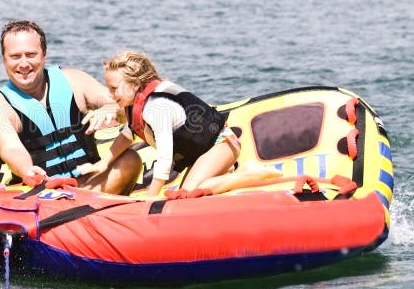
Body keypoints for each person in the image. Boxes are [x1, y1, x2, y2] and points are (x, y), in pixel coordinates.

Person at [77, 50, 277, 197]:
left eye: (114, 88)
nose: (110, 94)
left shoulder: (156, 108)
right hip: (201, 154)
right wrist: (103, 164)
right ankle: (226, 172)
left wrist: (151, 199)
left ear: (135, 85)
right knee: (188, 192)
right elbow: (127, 135)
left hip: (221, 144)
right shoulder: (133, 103)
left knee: (188, 194)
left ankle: (249, 173)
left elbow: (165, 159)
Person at [0, 20, 141, 194]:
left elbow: (124, 105)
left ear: (44, 55)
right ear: (4, 59)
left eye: (31, 55)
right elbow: (11, 149)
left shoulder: (75, 81)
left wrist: (111, 109)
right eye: (15, 56)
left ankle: (82, 201)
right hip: (41, 193)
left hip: (90, 184)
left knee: (130, 159)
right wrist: (27, 170)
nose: (24, 64)